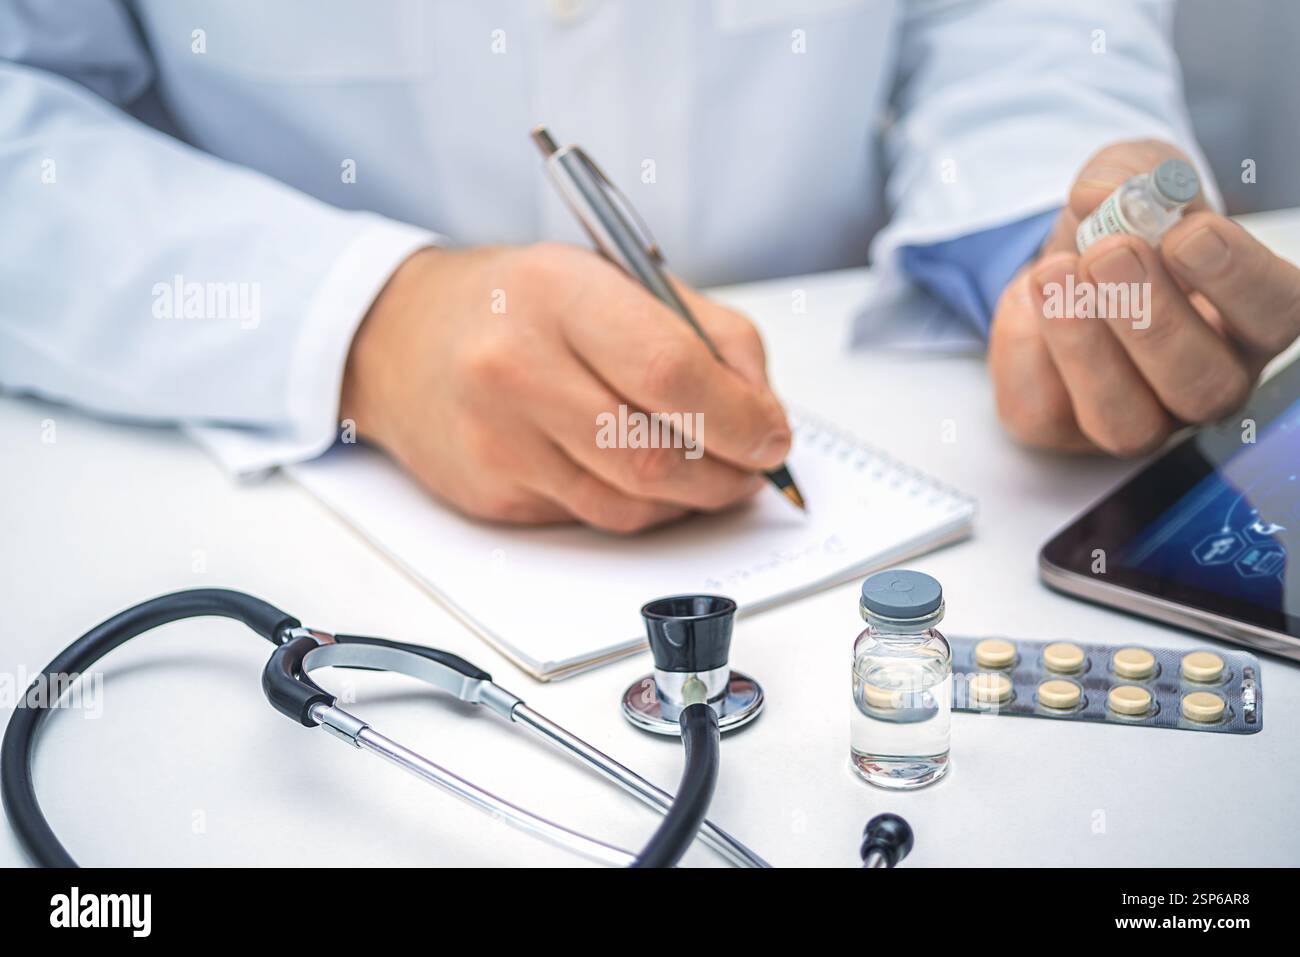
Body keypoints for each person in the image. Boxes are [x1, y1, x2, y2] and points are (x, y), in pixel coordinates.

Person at [4, 1, 1299, 533]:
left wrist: (1046, 243)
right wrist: (362, 323)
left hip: (912, 412)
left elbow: (1009, 20)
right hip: (234, 498)